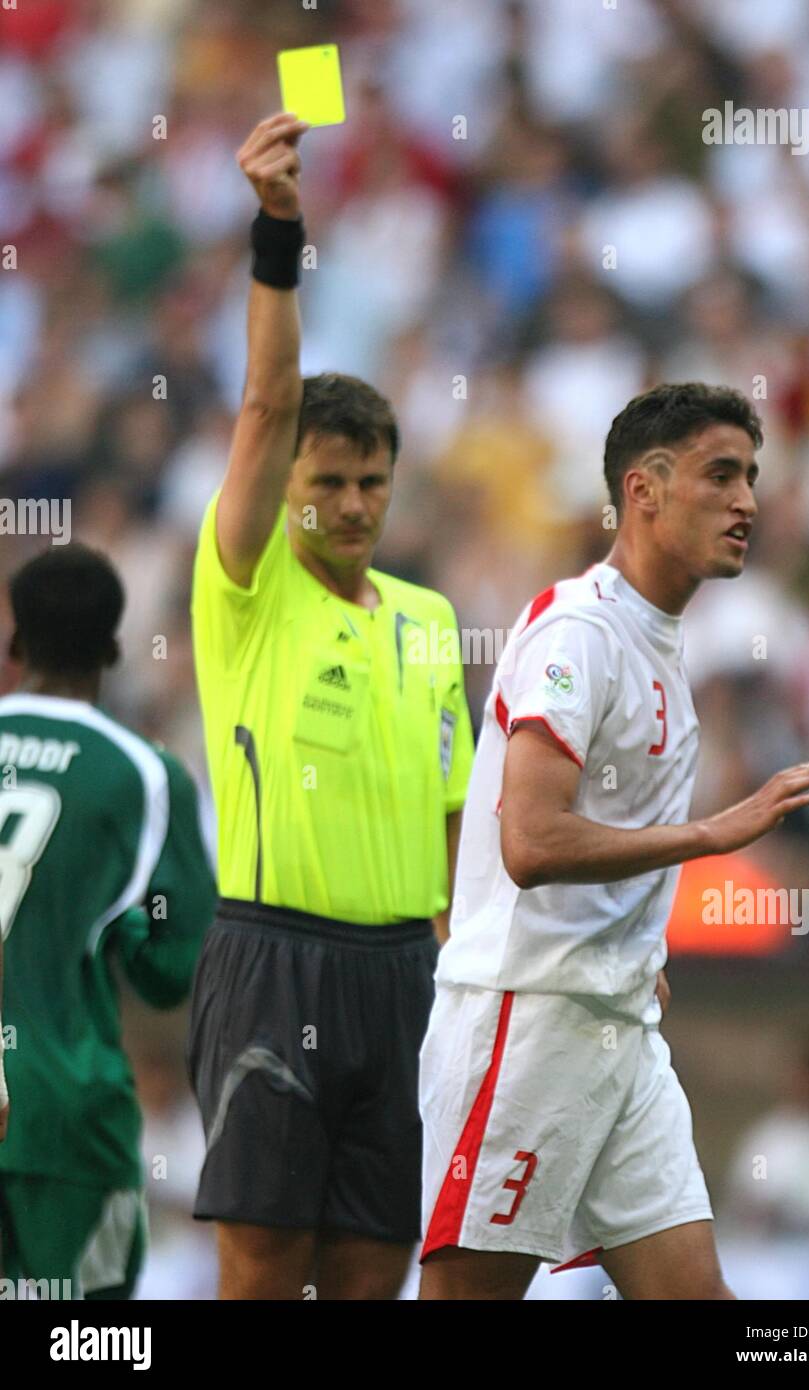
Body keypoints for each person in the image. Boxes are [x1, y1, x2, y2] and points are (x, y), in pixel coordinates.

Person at [418, 381, 809, 1300]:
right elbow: (528, 840)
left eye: (752, 477)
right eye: (720, 474)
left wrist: (636, 939)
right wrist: (711, 835)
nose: (747, 501)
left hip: (617, 1024)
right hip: (524, 1018)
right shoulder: (578, 632)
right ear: (642, 490)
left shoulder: (661, 646)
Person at [187, 113, 474, 1300]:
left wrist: (468, 961)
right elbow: (265, 400)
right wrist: (279, 230)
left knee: (373, 1269)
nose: (351, 503)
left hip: (408, 976)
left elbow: (460, 823)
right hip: (274, 963)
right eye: (327, 482)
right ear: (286, 482)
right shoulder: (246, 591)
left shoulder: (431, 618)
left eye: (370, 481)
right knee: (261, 1271)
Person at [0, 545, 215, 1298]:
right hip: (66, 1106)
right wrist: (116, 928)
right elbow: (171, 975)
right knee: (90, 1344)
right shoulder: (147, 774)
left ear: (15, 641)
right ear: (115, 648)